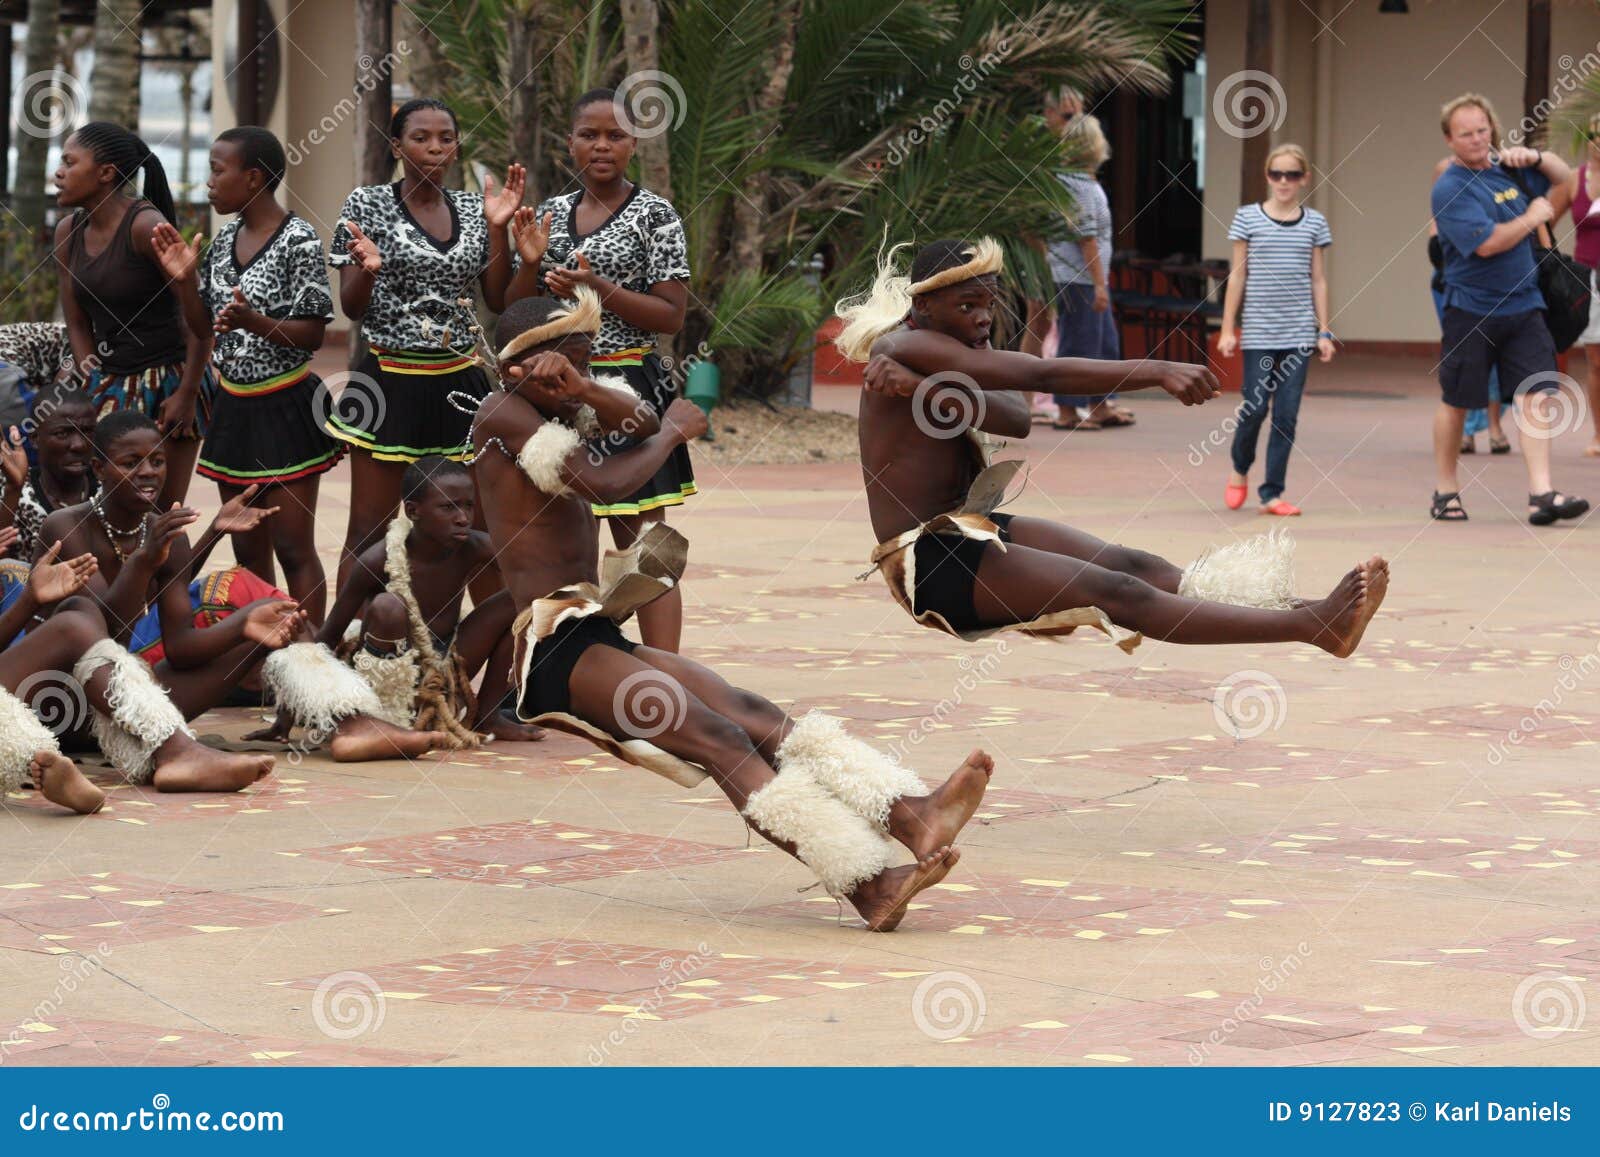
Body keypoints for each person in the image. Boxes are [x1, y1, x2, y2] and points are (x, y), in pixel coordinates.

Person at [471, 290, 993, 932]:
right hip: (553, 646)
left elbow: (631, 420)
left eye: (586, 363)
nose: (578, 384)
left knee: (752, 713)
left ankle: (912, 815)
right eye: (568, 365)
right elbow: (607, 482)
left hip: (591, 629)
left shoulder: (556, 409)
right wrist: (672, 430)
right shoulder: (502, 413)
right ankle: (866, 884)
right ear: (520, 368)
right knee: (716, 739)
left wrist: (585, 386)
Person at [834, 237, 1389, 655]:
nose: (983, 316)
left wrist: (929, 390)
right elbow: (1044, 372)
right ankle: (1312, 629)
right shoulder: (908, 344)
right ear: (924, 306)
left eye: (989, 303)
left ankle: (1307, 611)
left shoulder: (935, 357)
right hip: (928, 560)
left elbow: (1017, 415)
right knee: (1117, 589)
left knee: (1136, 564)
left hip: (967, 528)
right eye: (967, 305)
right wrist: (1156, 369)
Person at [37, 411, 450, 765]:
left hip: (140, 697)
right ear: (98, 469)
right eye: (131, 462)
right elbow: (102, 643)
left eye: (158, 461)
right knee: (236, 592)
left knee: (276, 616)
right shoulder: (66, 526)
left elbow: (179, 648)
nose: (148, 472)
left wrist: (245, 626)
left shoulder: (167, 533)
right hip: (77, 709)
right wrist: (147, 559)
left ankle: (348, 721)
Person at [503, 88, 695, 652]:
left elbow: (672, 314)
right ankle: (576, 662)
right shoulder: (552, 214)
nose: (602, 145)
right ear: (571, 143)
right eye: (589, 134)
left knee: (642, 545)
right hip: (553, 391)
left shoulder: (654, 215)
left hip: (627, 384)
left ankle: (663, 668)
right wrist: (532, 262)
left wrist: (601, 290)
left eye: (615, 135)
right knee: (569, 533)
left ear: (634, 143)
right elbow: (517, 311)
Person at [327, 98, 524, 592]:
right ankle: (347, 645)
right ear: (397, 146)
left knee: (472, 532)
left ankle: (481, 651)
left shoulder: (476, 212)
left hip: (460, 385)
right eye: (420, 137)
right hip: (389, 384)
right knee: (368, 531)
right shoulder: (366, 204)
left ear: (457, 147)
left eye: (446, 137)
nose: (434, 147)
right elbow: (351, 308)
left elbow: (498, 298)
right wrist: (369, 272)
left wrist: (499, 229)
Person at [153, 126, 341, 623]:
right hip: (234, 407)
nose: (209, 182)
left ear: (253, 177)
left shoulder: (297, 240)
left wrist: (254, 323)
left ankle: (310, 657)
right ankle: (263, 653)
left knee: (293, 547)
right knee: (248, 551)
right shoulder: (224, 240)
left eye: (218, 170)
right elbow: (202, 328)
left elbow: (313, 334)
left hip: (285, 406)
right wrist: (186, 284)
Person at [1430, 93, 1586, 525]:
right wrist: (1533, 215)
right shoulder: (1449, 188)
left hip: (1525, 307)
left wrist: (1535, 155)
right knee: (1458, 401)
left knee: (1536, 396)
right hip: (1472, 311)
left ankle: (1542, 494)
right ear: (1449, 139)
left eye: (1483, 129)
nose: (1478, 139)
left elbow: (1562, 179)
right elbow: (1486, 244)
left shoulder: (1506, 171)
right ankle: (1445, 490)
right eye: (1466, 134)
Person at [317, 455, 546, 744]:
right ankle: (389, 719)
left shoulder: (474, 546)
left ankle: (488, 716)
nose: (463, 517)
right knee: (388, 607)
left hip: (445, 672)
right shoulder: (377, 560)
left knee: (521, 599)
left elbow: (534, 573)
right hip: (389, 679)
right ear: (413, 511)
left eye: (468, 506)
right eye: (448, 507)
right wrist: (301, 703)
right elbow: (329, 635)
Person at [52, 122, 214, 507]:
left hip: (169, 383)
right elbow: (76, 320)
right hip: (110, 379)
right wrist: (89, 380)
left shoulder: (146, 227)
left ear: (106, 173)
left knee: (158, 511)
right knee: (108, 509)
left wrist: (187, 394)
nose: (58, 173)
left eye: (69, 163)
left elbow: (199, 326)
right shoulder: (67, 232)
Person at [1217, 143, 1334, 517]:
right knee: (1253, 408)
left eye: (1292, 175)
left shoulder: (1314, 223)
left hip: (1299, 334)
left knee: (1286, 413)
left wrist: (1324, 331)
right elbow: (1237, 276)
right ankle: (1239, 467)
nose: (1284, 182)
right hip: (1259, 332)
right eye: (1277, 174)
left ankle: (1272, 492)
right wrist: (1227, 328)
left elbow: (1318, 280)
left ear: (1304, 179)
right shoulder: (1247, 218)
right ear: (1268, 177)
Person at [1041, 104, 1132, 432]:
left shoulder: (1083, 181)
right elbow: (1086, 238)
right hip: (1077, 278)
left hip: (1086, 277)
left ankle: (1099, 405)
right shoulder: (1075, 184)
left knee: (1103, 343)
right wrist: (1099, 285)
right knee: (1078, 344)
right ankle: (1066, 412)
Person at [1, 383, 98, 562]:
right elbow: (5, 573)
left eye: (87, 431)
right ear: (35, 439)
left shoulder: (109, 488)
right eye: (62, 433)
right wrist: (13, 489)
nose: (79, 444)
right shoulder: (13, 494)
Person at [1564, 112, 1600, 459]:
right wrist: (1551, 265)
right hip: (1587, 276)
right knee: (1596, 358)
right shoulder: (1575, 179)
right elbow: (1545, 214)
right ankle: (1599, 434)